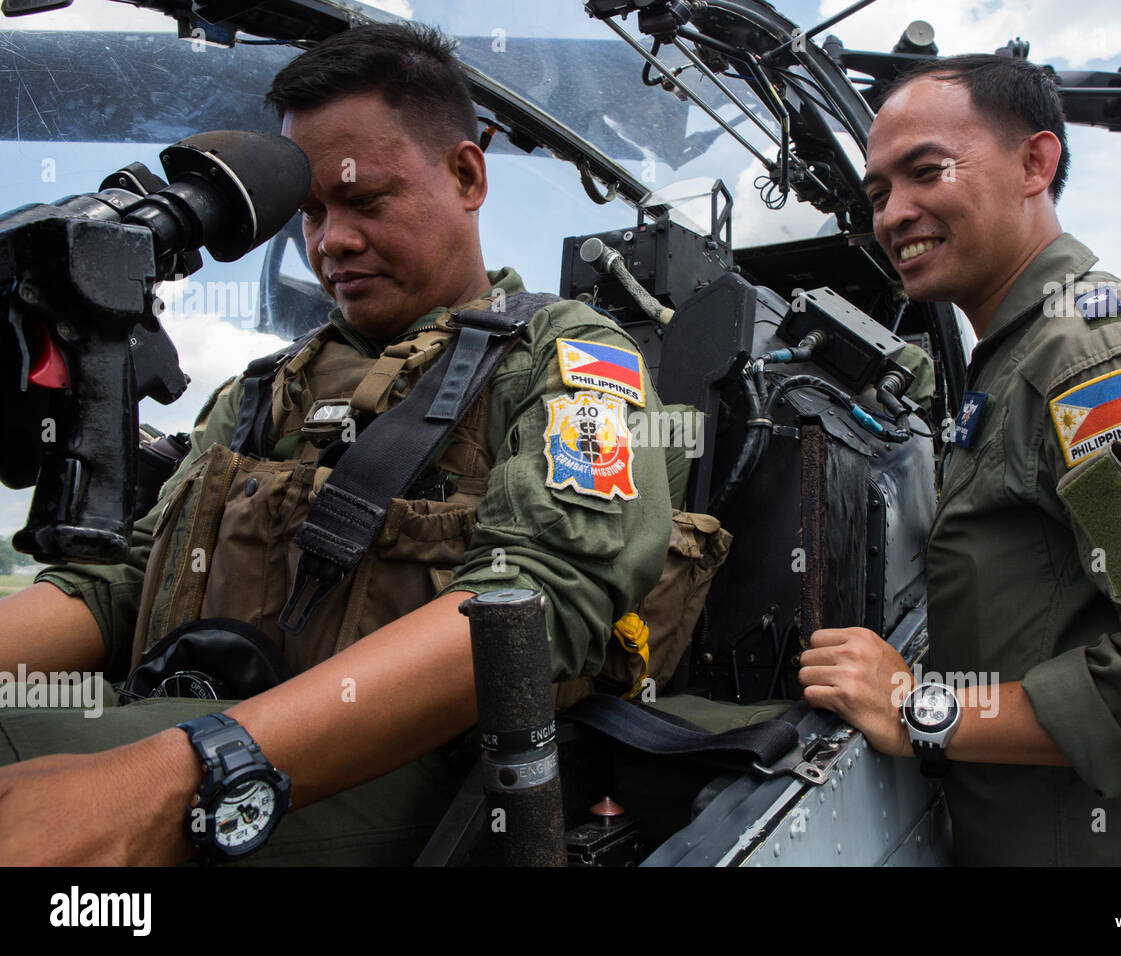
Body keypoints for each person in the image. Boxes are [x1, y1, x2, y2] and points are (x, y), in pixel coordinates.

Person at [0, 23, 671, 865]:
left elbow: (539, 597)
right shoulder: (259, 388)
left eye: (366, 201)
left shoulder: (569, 357)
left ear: (467, 175)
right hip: (208, 722)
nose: (331, 242)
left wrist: (179, 776)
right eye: (312, 212)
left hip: (426, 778)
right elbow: (125, 583)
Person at [799, 54, 1121, 865]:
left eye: (926, 171)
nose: (895, 214)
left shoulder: (1089, 364)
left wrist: (921, 708)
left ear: (1036, 163)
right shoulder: (1018, 367)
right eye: (880, 193)